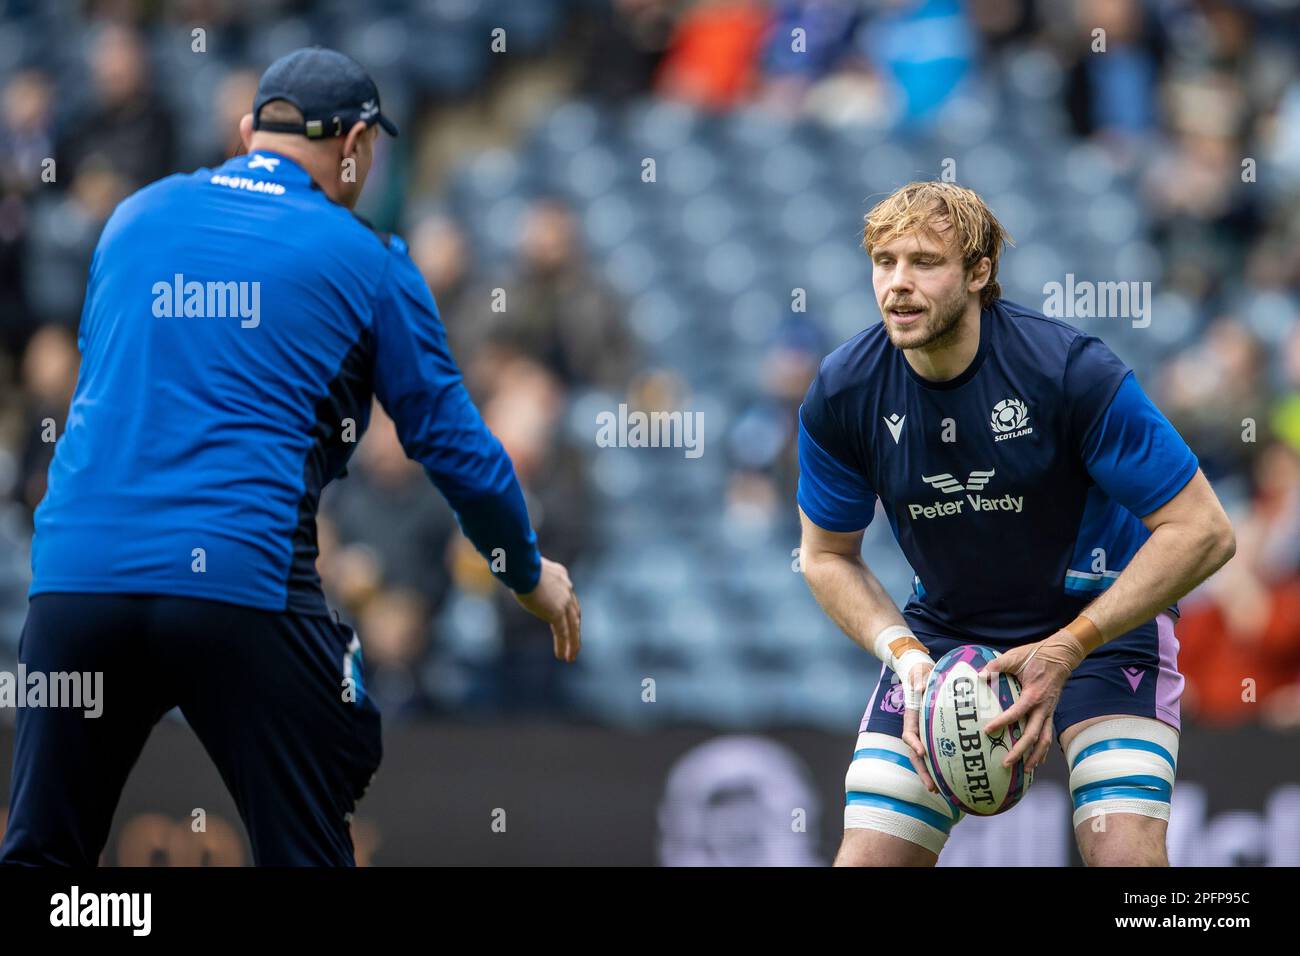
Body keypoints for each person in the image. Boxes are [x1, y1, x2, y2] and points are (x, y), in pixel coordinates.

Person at [0, 47, 580, 868]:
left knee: (42, 863)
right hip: (238, 584)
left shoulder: (132, 216)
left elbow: (104, 395)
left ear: (247, 133)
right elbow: (455, 446)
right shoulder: (370, 259)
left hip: (76, 581)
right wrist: (526, 570)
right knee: (316, 829)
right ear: (353, 145)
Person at [796, 181, 1235, 866]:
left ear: (979, 272)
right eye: (885, 262)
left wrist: (1068, 645)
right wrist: (904, 653)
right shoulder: (844, 390)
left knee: (1124, 858)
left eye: (924, 262)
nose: (899, 284)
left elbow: (1204, 529)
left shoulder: (1068, 371)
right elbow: (826, 556)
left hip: (1100, 628)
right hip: (944, 639)